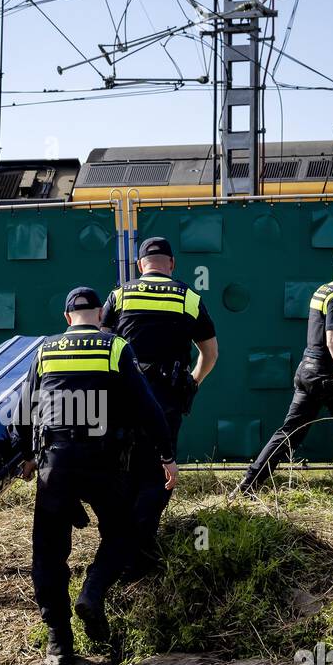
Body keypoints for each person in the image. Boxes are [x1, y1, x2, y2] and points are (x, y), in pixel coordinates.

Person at [17, 287, 178, 665]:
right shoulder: (116, 348)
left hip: (54, 463)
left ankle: (58, 640)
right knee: (121, 534)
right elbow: (148, 408)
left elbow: (25, 406)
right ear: (100, 316)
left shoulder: (44, 351)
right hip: (104, 462)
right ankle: (92, 592)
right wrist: (167, 455)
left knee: (48, 551)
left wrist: (26, 455)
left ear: (66, 317)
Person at [102, 236, 218, 577]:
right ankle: (140, 548)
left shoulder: (119, 295)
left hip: (124, 400)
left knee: (124, 472)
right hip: (166, 399)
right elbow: (210, 354)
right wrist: (192, 383)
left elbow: (101, 345)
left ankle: (119, 547)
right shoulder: (189, 298)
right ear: (171, 264)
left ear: (140, 265)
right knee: (159, 474)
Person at [236, 245, 333, 499]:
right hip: (331, 381)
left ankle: (247, 487)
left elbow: (326, 339)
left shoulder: (323, 291)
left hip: (309, 374)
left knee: (287, 435)